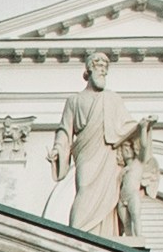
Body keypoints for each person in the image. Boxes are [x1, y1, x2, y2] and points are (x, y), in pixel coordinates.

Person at [55, 58, 155, 242]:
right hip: (86, 154)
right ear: (89, 70)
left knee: (109, 199)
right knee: (85, 188)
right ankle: (78, 235)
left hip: (109, 157)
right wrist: (58, 150)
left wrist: (143, 127)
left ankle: (106, 239)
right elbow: (65, 130)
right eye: (100, 67)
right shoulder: (74, 101)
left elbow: (127, 125)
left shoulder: (112, 99)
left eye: (105, 68)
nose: (104, 72)